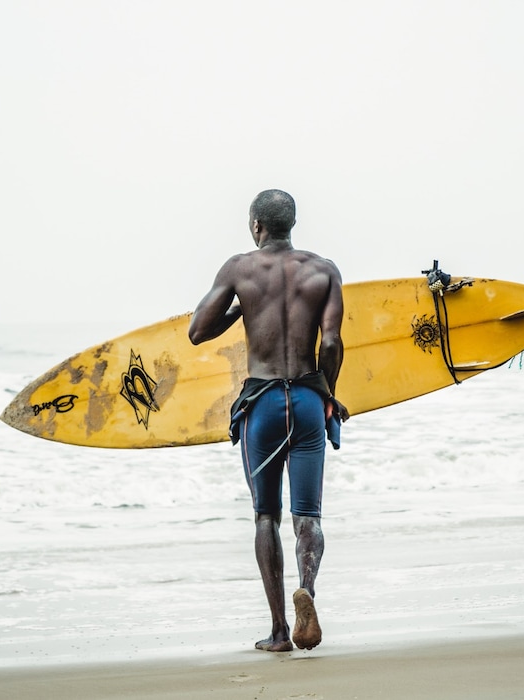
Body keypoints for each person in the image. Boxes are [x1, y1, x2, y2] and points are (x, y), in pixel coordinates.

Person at [188, 189, 348, 652]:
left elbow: (198, 330)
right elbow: (332, 344)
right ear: (290, 224)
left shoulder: (240, 269)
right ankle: (308, 592)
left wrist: (242, 306)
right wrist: (328, 396)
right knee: (308, 517)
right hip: (305, 401)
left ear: (257, 225)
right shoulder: (324, 270)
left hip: (261, 405)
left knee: (265, 516)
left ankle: (279, 630)